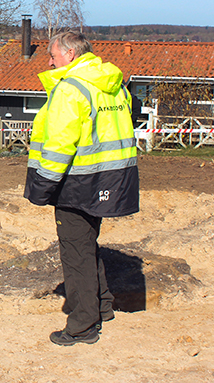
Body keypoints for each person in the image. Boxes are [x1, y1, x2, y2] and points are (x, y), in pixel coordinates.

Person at [23, 31, 139, 346]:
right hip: (110, 179)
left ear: (71, 54)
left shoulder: (70, 89)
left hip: (76, 183)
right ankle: (101, 305)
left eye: (53, 55)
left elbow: (61, 144)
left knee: (75, 252)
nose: (49, 61)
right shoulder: (111, 85)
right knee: (87, 244)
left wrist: (42, 186)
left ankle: (82, 325)